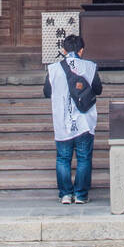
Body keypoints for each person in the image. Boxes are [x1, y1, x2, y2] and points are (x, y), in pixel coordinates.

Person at [42, 34, 102, 204]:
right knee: (83, 157)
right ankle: (81, 195)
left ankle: (66, 194)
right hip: (84, 120)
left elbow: (47, 92)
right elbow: (98, 89)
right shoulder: (90, 67)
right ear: (81, 50)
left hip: (62, 120)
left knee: (63, 158)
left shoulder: (53, 68)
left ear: (63, 50)